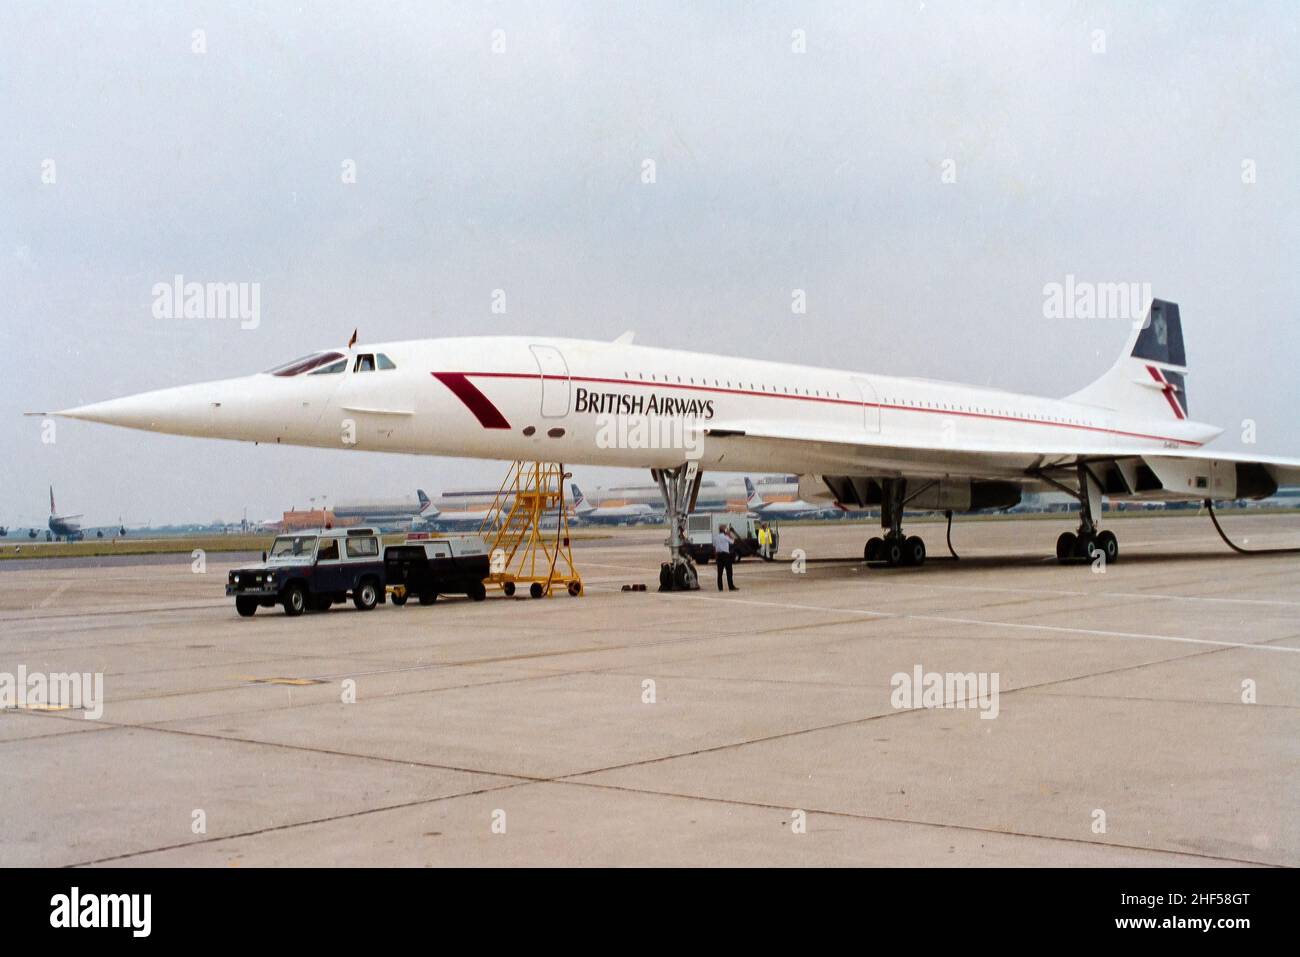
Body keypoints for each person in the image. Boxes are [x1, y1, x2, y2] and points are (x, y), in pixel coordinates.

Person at [712, 523, 738, 591]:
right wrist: (729, 534)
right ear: (724, 530)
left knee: (719, 573)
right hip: (725, 555)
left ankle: (720, 588)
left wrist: (716, 557)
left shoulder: (715, 537)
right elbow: (733, 541)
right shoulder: (725, 537)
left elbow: (714, 548)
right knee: (729, 572)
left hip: (719, 556)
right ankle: (731, 586)